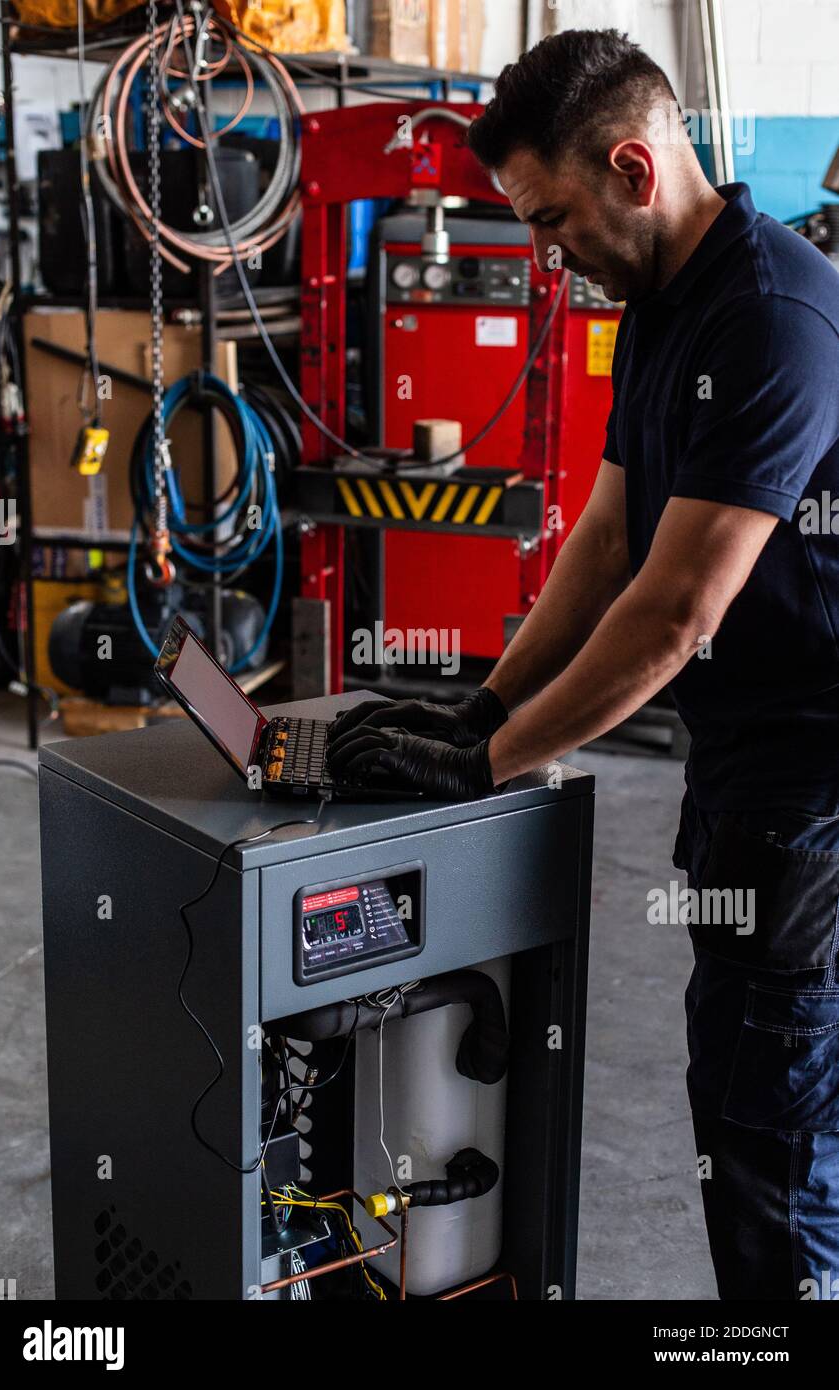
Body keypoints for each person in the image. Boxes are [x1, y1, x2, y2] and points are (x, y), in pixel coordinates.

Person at [327, 29, 839, 1300]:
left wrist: (491, 767)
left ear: (630, 165)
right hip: (745, 784)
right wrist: (481, 709)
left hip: (810, 797)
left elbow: (670, 612)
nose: (547, 259)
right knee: (750, 1107)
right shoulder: (664, 307)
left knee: (769, 1138)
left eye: (553, 220)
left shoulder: (771, 314)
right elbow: (606, 537)